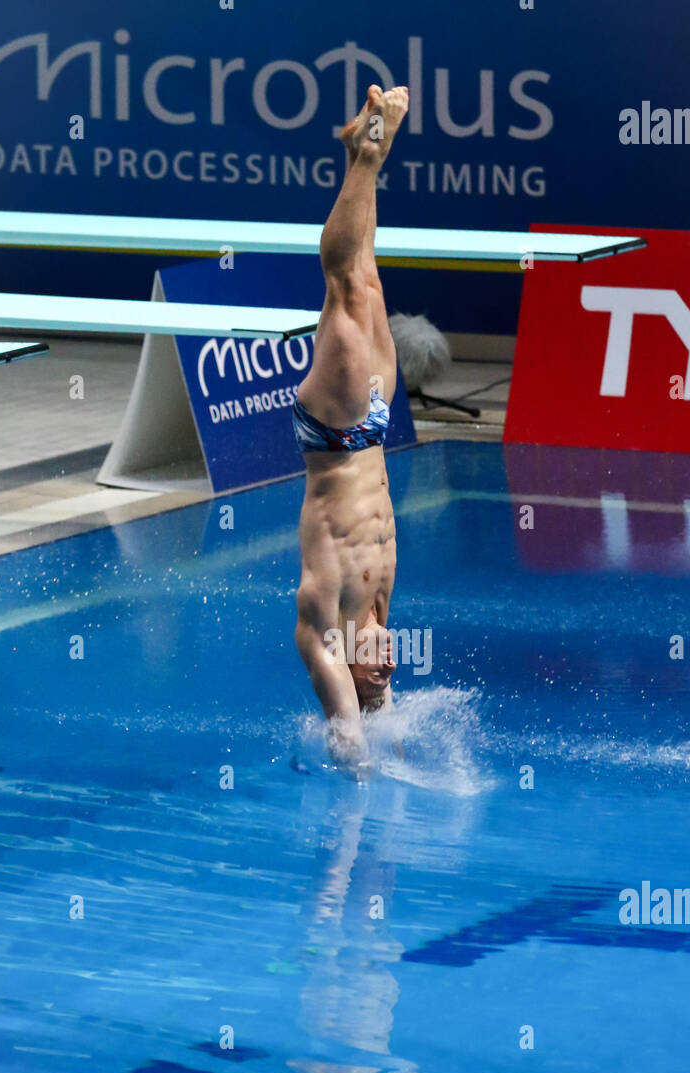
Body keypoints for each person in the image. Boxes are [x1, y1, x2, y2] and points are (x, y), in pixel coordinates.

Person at [292, 85, 409, 766]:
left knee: (343, 286)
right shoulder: (380, 610)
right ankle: (356, 153)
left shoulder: (324, 613)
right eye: (390, 670)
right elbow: (381, 703)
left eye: (381, 674)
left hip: (334, 433)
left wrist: (358, 756)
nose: (390, 663)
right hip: (376, 421)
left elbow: (348, 731)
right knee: (369, 274)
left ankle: (372, 150)